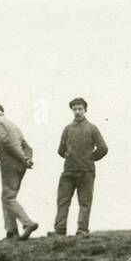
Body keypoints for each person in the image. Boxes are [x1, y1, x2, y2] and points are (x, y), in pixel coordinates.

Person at [51, 97, 108, 237]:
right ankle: (60, 230)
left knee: (85, 202)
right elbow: (60, 150)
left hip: (86, 172)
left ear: (85, 110)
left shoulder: (92, 128)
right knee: (63, 200)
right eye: (75, 109)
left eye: (80, 109)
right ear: (72, 110)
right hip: (69, 171)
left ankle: (82, 230)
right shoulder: (67, 129)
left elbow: (103, 148)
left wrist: (90, 158)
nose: (77, 112)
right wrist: (71, 157)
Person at [0, 103, 38, 240]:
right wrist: (27, 159)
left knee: (8, 197)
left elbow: (5, 141)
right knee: (7, 196)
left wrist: (21, 157)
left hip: (9, 163)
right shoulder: (13, 125)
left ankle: (27, 223)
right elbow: (28, 147)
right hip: (20, 165)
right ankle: (11, 231)